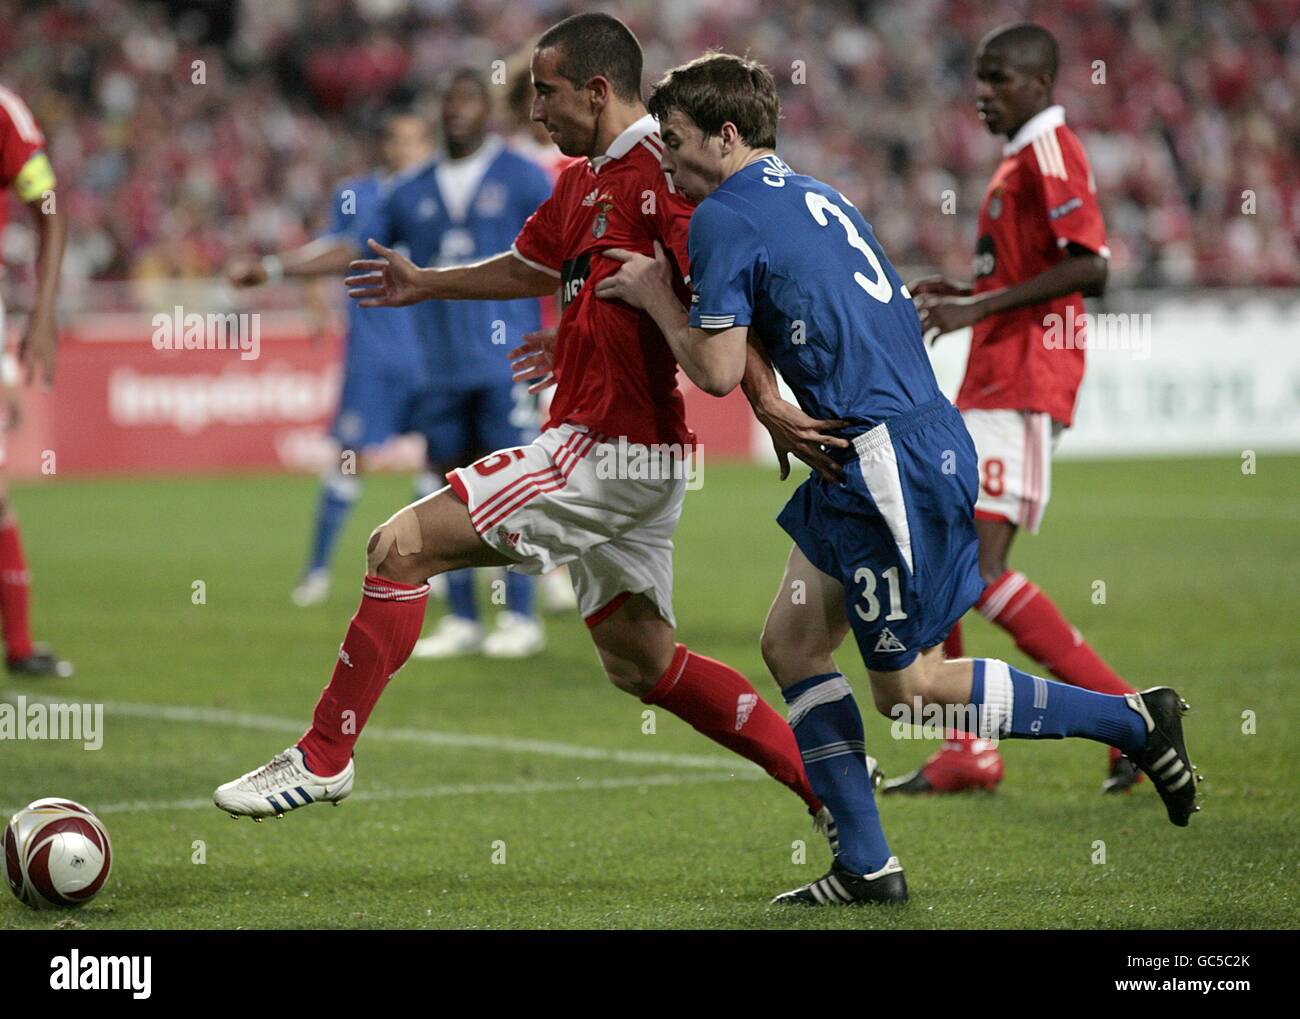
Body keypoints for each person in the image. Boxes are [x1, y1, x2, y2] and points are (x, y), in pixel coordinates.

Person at [593, 50, 1199, 906]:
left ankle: (1131, 718)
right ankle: (867, 865)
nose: (667, 160)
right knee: (791, 644)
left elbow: (721, 368)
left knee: (909, 691)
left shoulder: (725, 214)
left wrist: (658, 293)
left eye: (680, 142)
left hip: (883, 462)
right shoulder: (817, 194)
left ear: (726, 137)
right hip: (882, 446)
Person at [212, 15, 830, 847]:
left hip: (603, 446)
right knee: (642, 662)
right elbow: (533, 266)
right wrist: (433, 283)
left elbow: (724, 298)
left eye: (546, 92)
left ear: (598, 90)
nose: (534, 110)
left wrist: (768, 401)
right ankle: (826, 785)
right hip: (637, 456)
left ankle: (324, 755)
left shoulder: (664, 171)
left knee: (398, 547)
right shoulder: (583, 180)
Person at [888, 22, 1141, 795]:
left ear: (1039, 84)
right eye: (979, 78)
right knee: (943, 548)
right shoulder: (1018, 160)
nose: (982, 93)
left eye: (998, 79)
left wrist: (981, 308)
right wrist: (970, 299)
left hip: (1027, 379)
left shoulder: (1051, 153)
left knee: (980, 566)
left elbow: (1092, 267)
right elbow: (1035, 269)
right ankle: (967, 745)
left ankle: (1128, 719)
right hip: (995, 377)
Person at [372, 69, 555, 660]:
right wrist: (276, 269)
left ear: (488, 110)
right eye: (448, 98)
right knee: (442, 490)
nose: (456, 109)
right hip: (439, 367)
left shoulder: (525, 177)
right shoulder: (408, 190)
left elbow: (569, 255)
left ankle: (520, 616)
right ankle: (464, 619)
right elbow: (354, 242)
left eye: (468, 99)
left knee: (513, 494)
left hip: (506, 364)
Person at [226, 111, 432, 609]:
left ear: (428, 145)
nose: (400, 148)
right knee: (348, 459)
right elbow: (333, 248)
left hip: (432, 354)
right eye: (393, 138)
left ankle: (434, 570)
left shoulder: (442, 195)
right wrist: (303, 290)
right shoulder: (357, 194)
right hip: (373, 352)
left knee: (442, 464)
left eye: (411, 140)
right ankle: (317, 570)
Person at [0, 83, 70, 679]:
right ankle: (19, 646)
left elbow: (48, 209)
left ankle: (20, 646)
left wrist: (42, 315)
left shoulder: (6, 113)